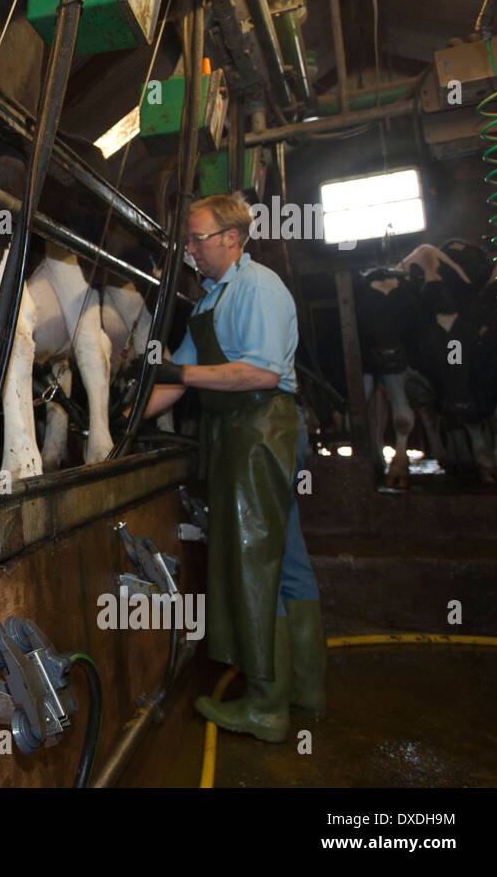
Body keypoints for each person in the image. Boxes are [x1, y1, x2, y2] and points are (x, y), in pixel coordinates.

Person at [133, 193, 326, 742]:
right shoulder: (209, 302)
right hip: (241, 433)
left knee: (252, 564)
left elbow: (261, 374)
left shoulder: (258, 287)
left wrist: (181, 375)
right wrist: (115, 421)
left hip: (264, 429)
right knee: (286, 561)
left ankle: (267, 706)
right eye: (187, 240)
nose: (189, 249)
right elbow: (176, 379)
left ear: (232, 238)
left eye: (197, 238)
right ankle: (305, 692)